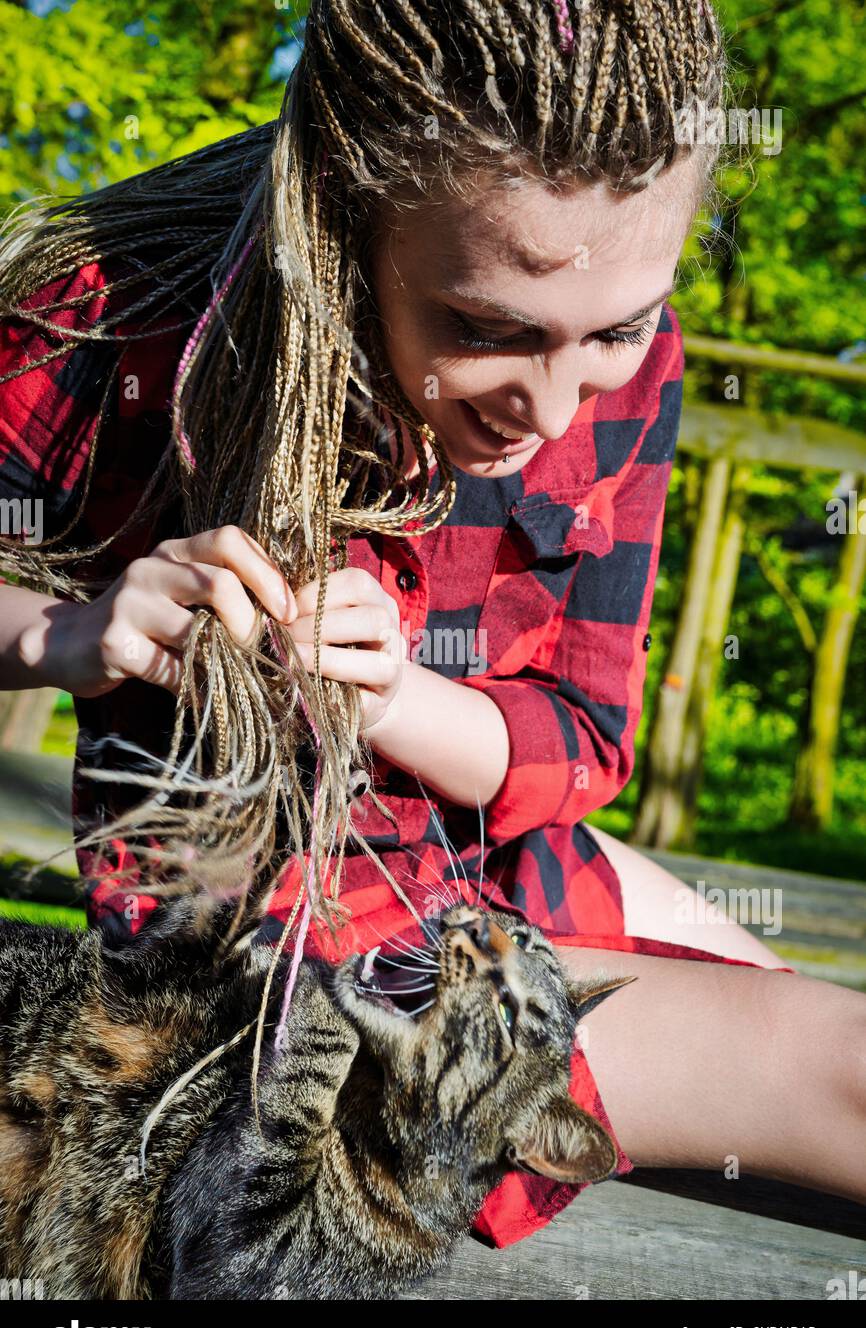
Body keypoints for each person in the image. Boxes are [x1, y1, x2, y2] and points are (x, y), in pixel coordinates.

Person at [1, 1, 863, 1256]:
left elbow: (582, 738)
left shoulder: (636, 357)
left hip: (499, 873)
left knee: (795, 1000)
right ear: (348, 215)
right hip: (341, 984)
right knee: (830, 1064)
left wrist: (395, 699)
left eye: (615, 330)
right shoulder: (129, 318)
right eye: (485, 327)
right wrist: (67, 636)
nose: (552, 405)